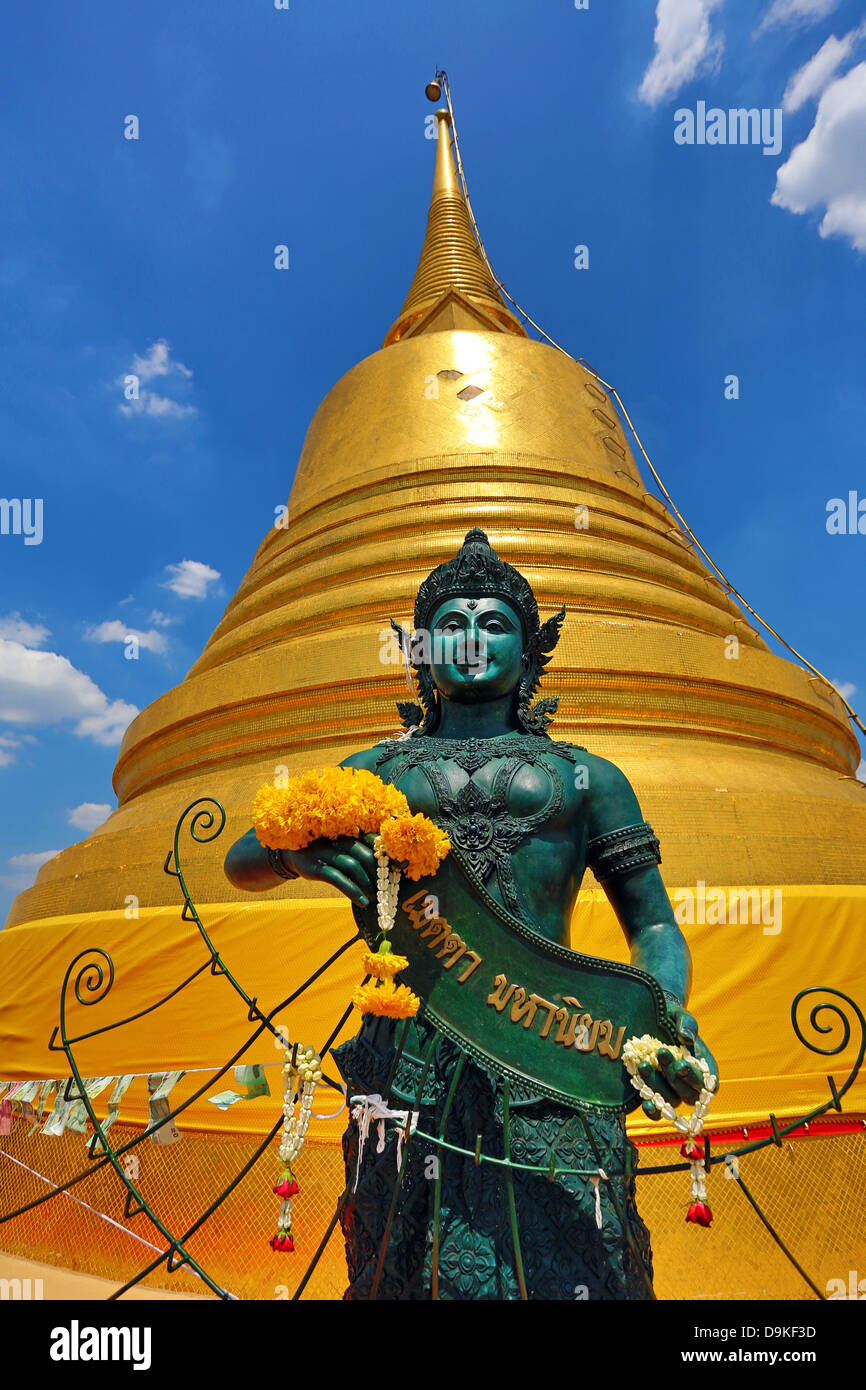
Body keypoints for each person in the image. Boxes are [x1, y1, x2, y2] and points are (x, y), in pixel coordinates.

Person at [225, 528, 717, 1299]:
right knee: (406, 1258)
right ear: (419, 653)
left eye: (494, 623)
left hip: (550, 1038)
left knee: (571, 1258)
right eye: (450, 625)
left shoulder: (586, 777)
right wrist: (300, 855)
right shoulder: (374, 770)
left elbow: (652, 924)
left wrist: (664, 1015)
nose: (471, 639)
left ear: (531, 648)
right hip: (409, 1050)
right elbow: (243, 858)